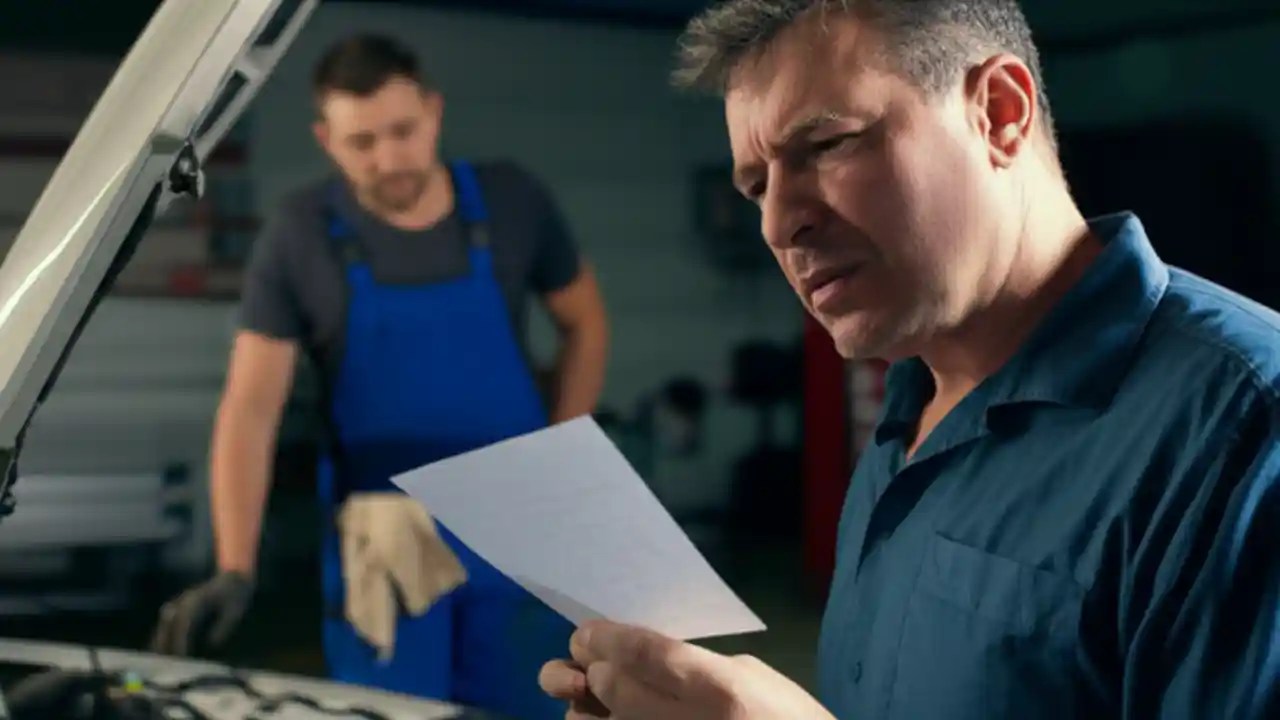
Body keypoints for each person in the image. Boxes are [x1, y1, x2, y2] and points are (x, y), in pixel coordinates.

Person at [539, 1, 1280, 718]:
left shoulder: (1243, 429)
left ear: (999, 112)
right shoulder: (907, 417)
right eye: (757, 185)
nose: (778, 223)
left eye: (828, 145)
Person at [150, 33, 609, 718]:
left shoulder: (513, 201)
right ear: (326, 140)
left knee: (529, 706)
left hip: (514, 526)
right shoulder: (301, 235)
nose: (389, 158)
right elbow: (250, 409)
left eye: (403, 131)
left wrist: (559, 456)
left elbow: (586, 323)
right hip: (384, 540)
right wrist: (235, 565)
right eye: (362, 142)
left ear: (434, 111)